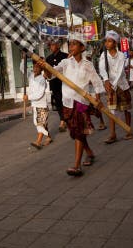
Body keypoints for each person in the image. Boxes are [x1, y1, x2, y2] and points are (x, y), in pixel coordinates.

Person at [48, 33, 104, 177]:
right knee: (75, 132)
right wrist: (44, 67)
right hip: (67, 103)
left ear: (82, 47)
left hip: (81, 103)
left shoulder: (87, 64)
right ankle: (90, 153)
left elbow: (97, 82)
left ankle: (76, 165)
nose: (71, 47)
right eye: (70, 44)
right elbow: (52, 74)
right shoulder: (65, 63)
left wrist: (97, 99)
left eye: (74, 44)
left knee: (78, 132)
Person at [98, 30, 133, 143]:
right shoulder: (104, 55)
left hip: (121, 85)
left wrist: (112, 85)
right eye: (106, 41)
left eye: (109, 41)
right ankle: (112, 134)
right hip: (110, 85)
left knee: (126, 109)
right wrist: (106, 80)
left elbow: (120, 71)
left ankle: (129, 131)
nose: (107, 44)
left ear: (115, 43)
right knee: (111, 110)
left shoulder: (122, 55)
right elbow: (102, 68)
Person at [24, 59, 51, 149]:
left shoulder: (42, 79)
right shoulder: (31, 76)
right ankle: (48, 136)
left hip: (41, 105)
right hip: (34, 105)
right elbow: (22, 68)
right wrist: (23, 58)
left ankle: (38, 142)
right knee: (39, 122)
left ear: (41, 69)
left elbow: (39, 94)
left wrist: (28, 97)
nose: (35, 68)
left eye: (37, 67)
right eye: (34, 67)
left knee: (40, 123)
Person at [45, 38, 68, 132]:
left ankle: (68, 119)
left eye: (53, 44)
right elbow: (47, 73)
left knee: (67, 102)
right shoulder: (48, 58)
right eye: (50, 45)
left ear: (58, 45)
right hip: (55, 84)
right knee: (58, 103)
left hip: (65, 84)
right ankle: (62, 120)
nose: (51, 47)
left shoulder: (65, 56)